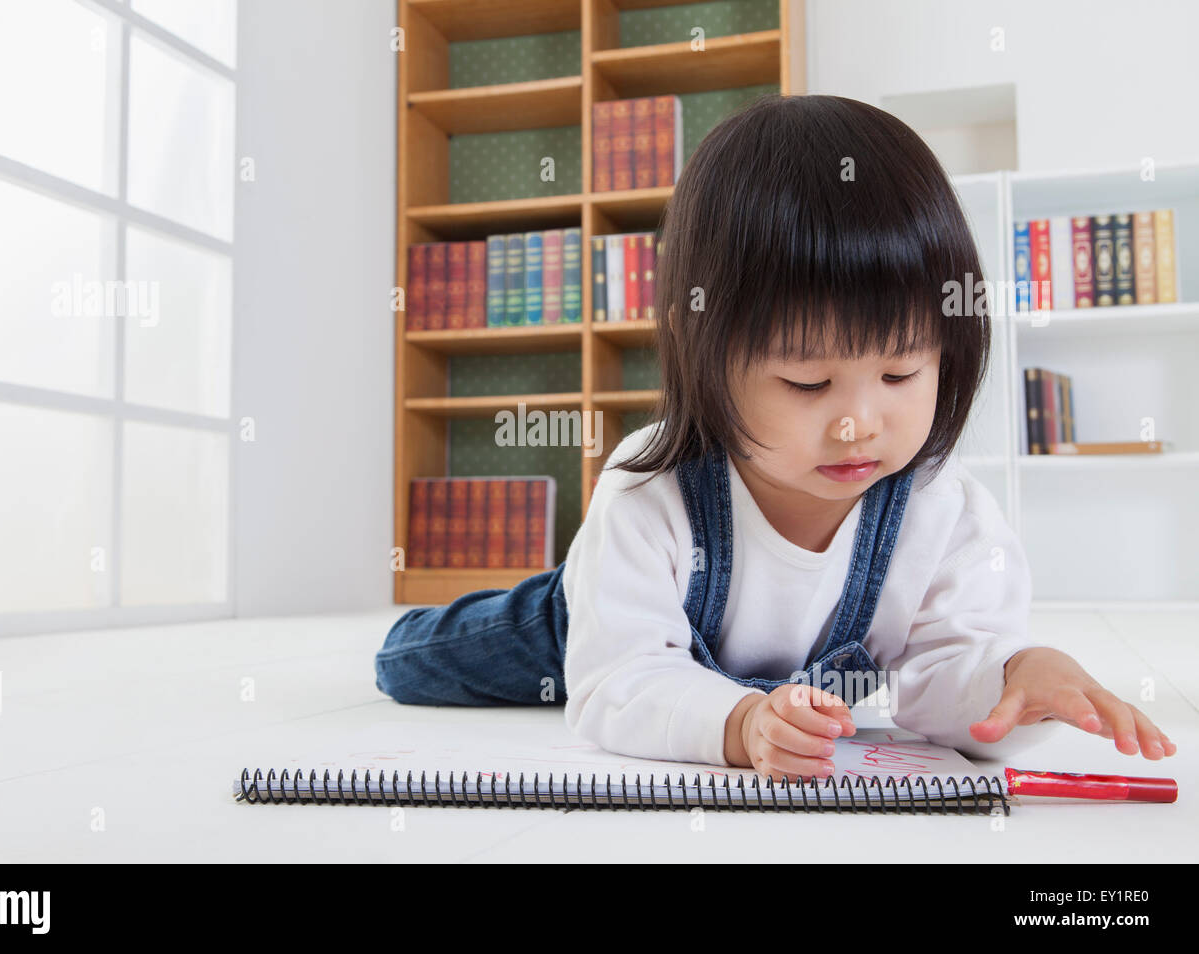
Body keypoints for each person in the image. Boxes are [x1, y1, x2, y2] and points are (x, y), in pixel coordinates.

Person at [375, 93, 1176, 781]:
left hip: (764, 681)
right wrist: (739, 725)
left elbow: (942, 683)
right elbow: (618, 680)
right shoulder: (649, 490)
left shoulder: (945, 513)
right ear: (707, 359)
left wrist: (1015, 676)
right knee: (408, 664)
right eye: (807, 384)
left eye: (900, 376)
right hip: (610, 618)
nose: (859, 421)